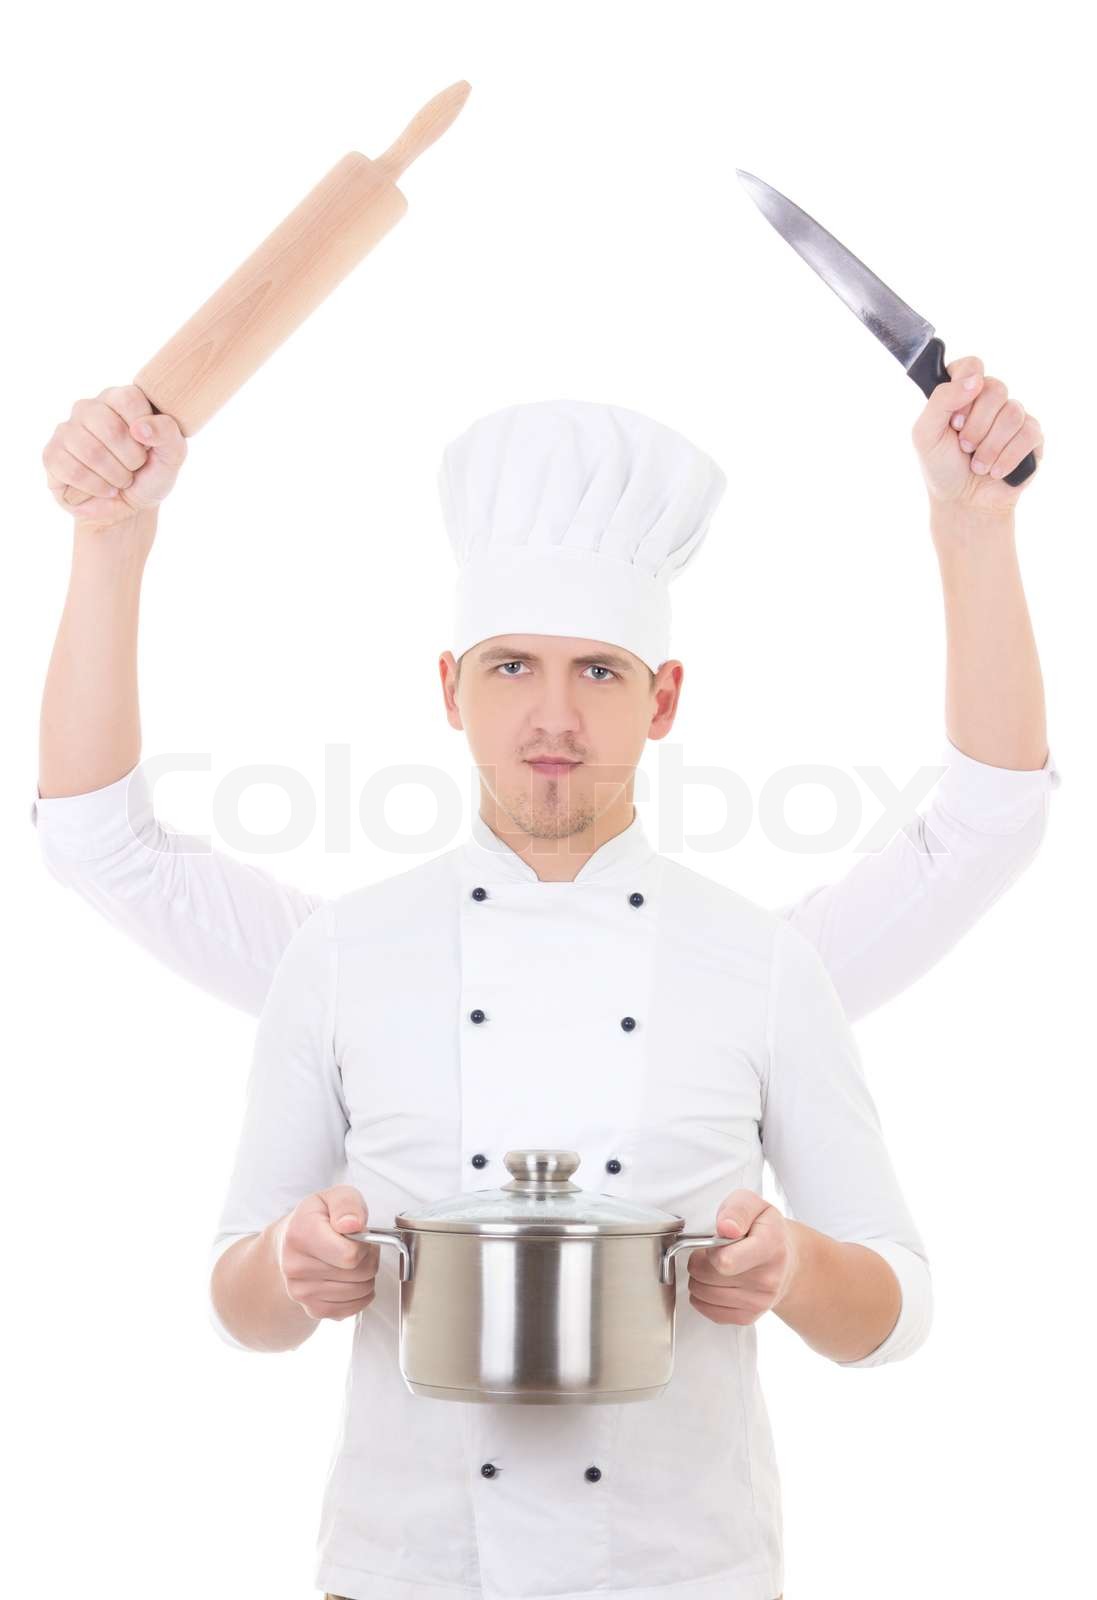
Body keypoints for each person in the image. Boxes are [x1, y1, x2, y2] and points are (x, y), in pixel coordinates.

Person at [34, 368, 1057, 1600]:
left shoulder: (766, 966)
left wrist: (971, 524)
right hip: (403, 1573)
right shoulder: (345, 957)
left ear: (663, 698)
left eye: (601, 672)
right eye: (512, 666)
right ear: (449, 687)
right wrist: (111, 536)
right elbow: (103, 849)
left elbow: (896, 1304)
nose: (554, 717)